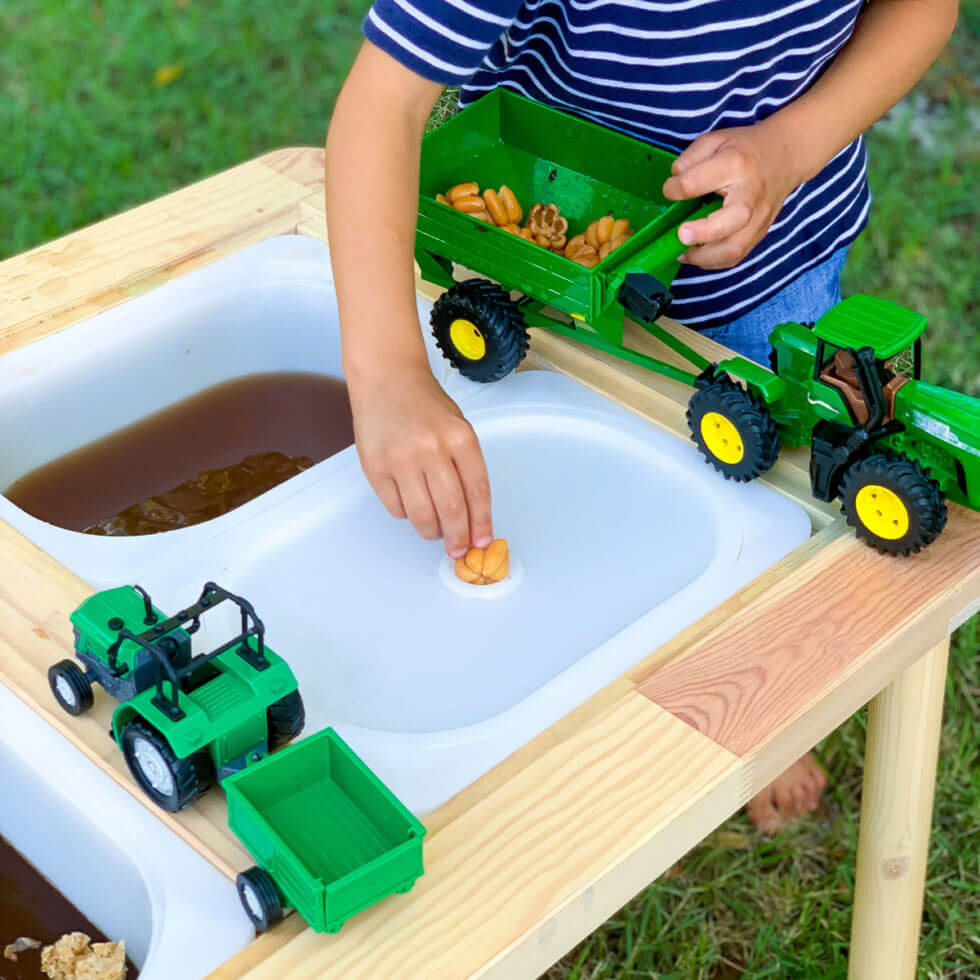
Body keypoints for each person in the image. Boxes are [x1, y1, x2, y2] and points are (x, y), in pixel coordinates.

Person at [325, 0, 958, 832]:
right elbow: (387, 99)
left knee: (764, 522)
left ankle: (753, 705)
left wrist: (789, 149)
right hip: (554, 256)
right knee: (584, 510)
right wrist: (388, 372)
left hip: (777, 263)